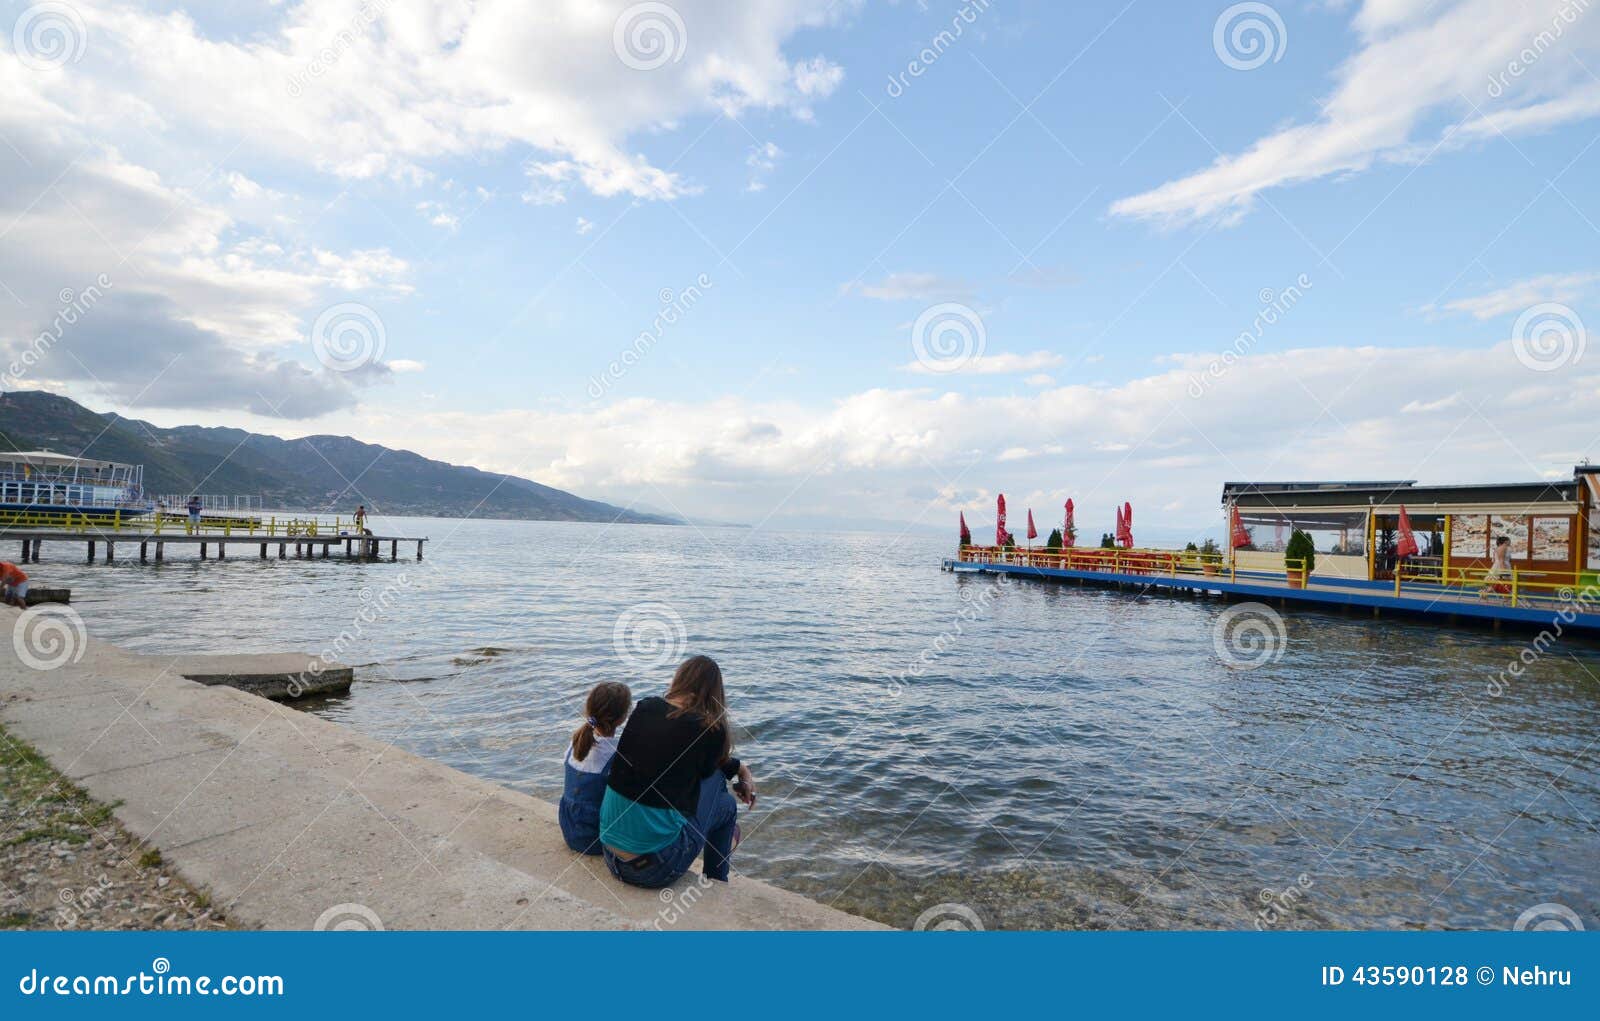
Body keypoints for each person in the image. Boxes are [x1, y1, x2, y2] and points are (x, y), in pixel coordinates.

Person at [599, 656, 756, 888]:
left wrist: (740, 769)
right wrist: (744, 773)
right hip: (655, 869)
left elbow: (677, 750)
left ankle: (721, 842)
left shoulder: (645, 707)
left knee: (708, 780)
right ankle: (717, 880)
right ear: (715, 694)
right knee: (725, 801)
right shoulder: (710, 731)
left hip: (611, 857)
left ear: (679, 679)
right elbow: (714, 767)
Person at [559, 681, 632, 855]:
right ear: (623, 718)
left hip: (569, 829)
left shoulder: (575, 743)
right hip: (595, 838)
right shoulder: (617, 754)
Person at [1480, 535, 1513, 600]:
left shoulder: (1499, 548)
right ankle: (1486, 592)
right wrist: (1504, 571)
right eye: (1509, 540)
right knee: (1504, 582)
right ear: (1506, 541)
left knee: (1501, 582)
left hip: (1500, 565)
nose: (1510, 542)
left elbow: (1494, 560)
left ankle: (1486, 592)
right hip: (1502, 566)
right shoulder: (1503, 547)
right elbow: (1501, 560)